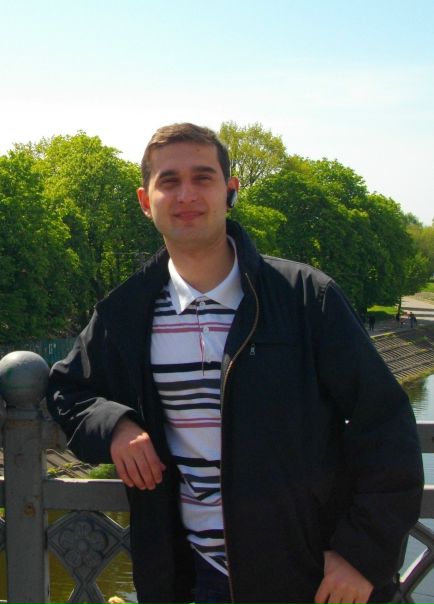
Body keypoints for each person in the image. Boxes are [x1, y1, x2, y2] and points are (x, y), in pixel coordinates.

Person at [47, 123, 424, 604]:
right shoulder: (126, 313)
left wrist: (362, 554)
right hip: (193, 580)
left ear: (230, 191)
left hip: (311, 576)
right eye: (169, 181)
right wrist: (116, 426)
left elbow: (386, 426)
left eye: (202, 178)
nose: (186, 194)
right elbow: (66, 390)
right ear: (145, 201)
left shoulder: (305, 297)